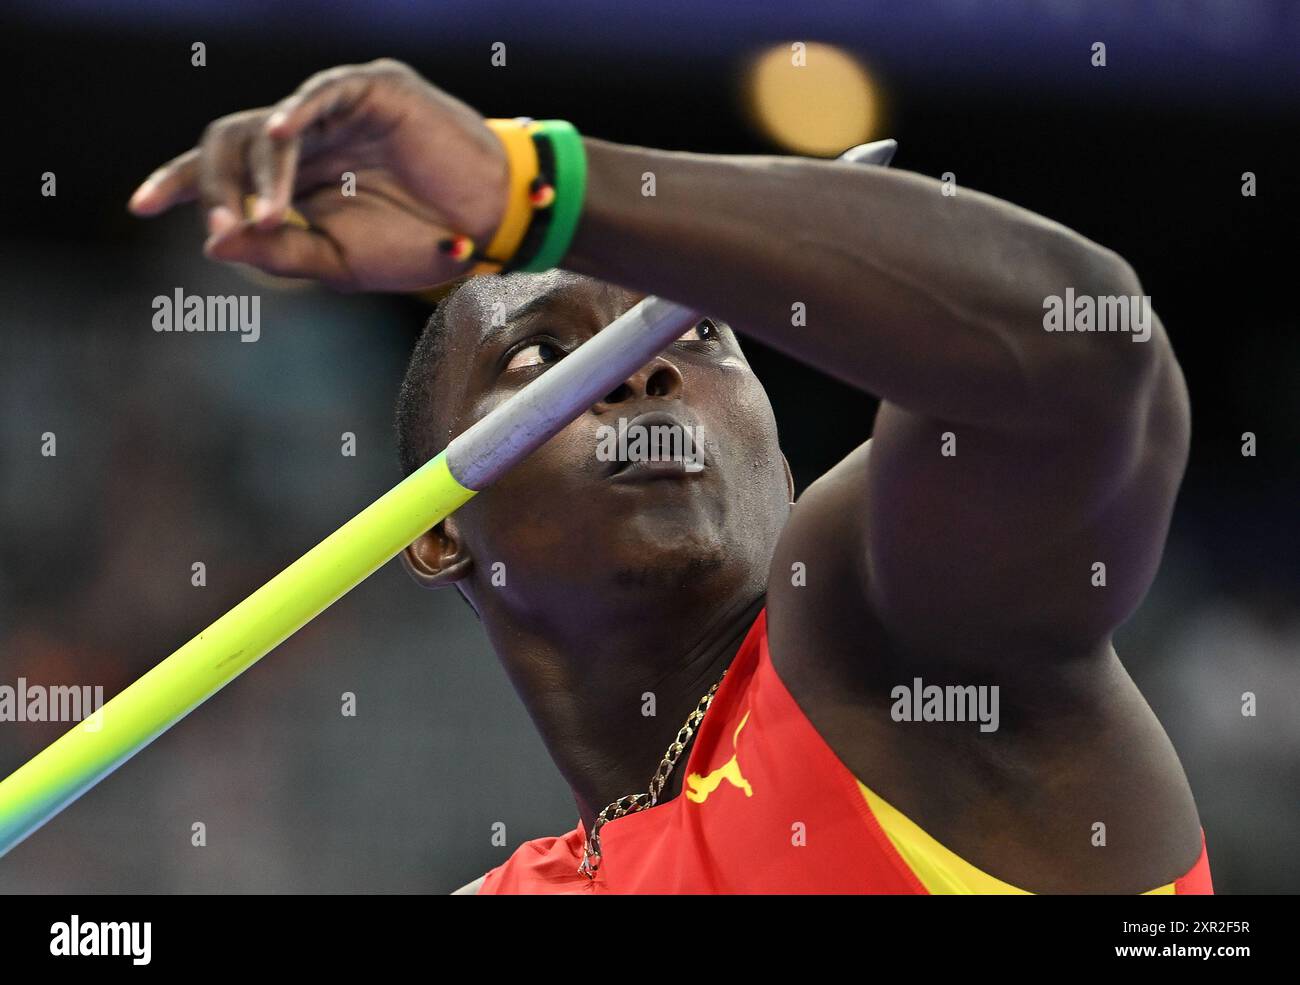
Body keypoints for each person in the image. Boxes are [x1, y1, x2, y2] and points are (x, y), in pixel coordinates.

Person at [129, 59, 1211, 894]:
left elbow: (1081, 350)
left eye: (698, 338)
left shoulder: (898, 657)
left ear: (780, 452)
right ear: (438, 532)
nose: (645, 365)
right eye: (540, 358)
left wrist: (530, 191)